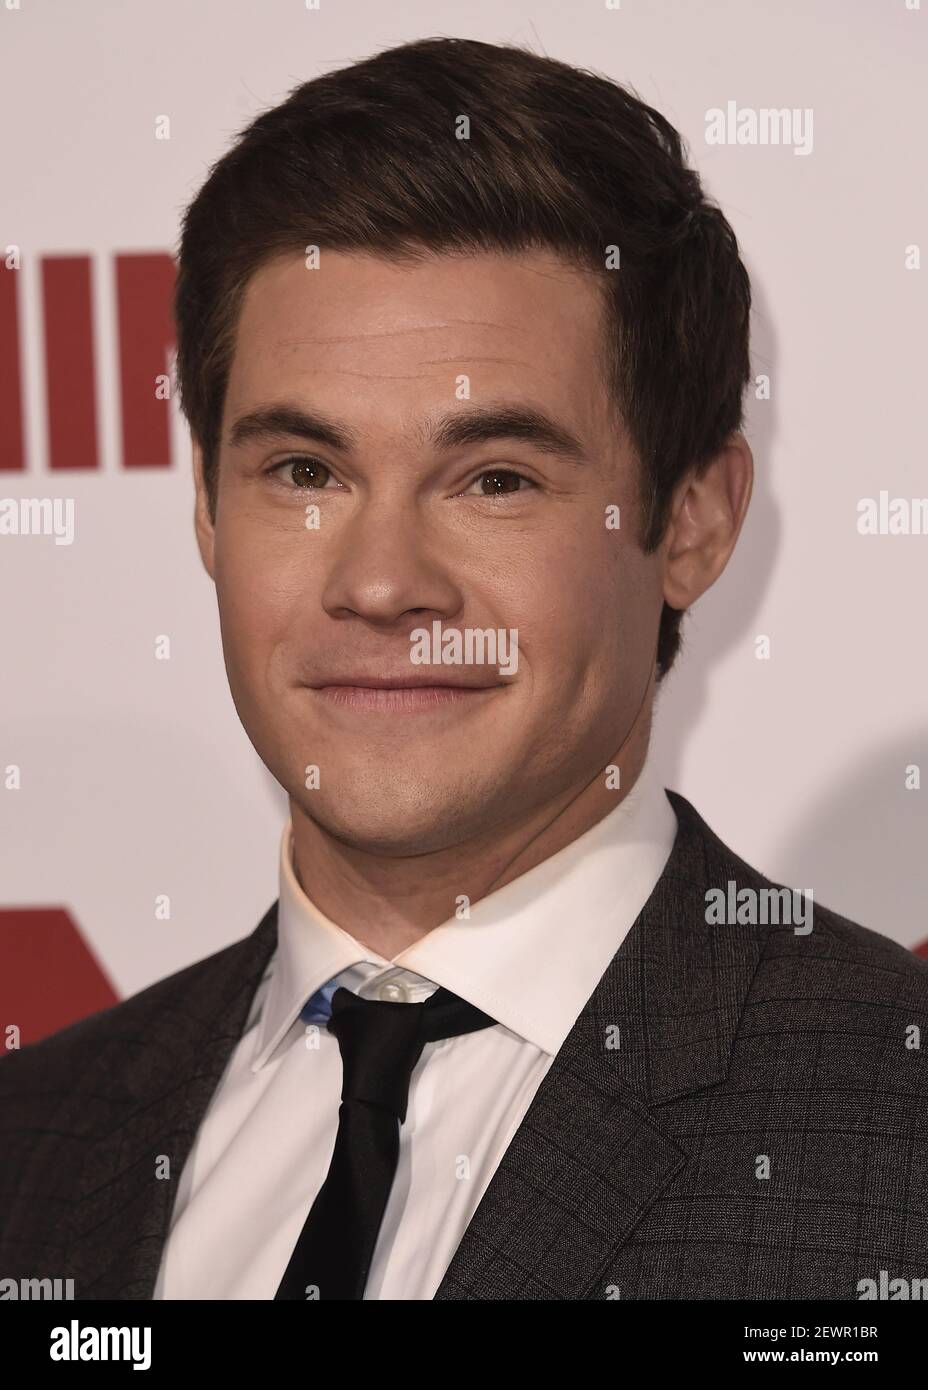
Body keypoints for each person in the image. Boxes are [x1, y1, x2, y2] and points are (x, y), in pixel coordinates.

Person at [1, 36, 925, 1302]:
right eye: (304, 473)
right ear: (208, 514)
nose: (381, 584)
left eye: (495, 479)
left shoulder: (893, 1126)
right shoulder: (32, 1140)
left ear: (694, 522)